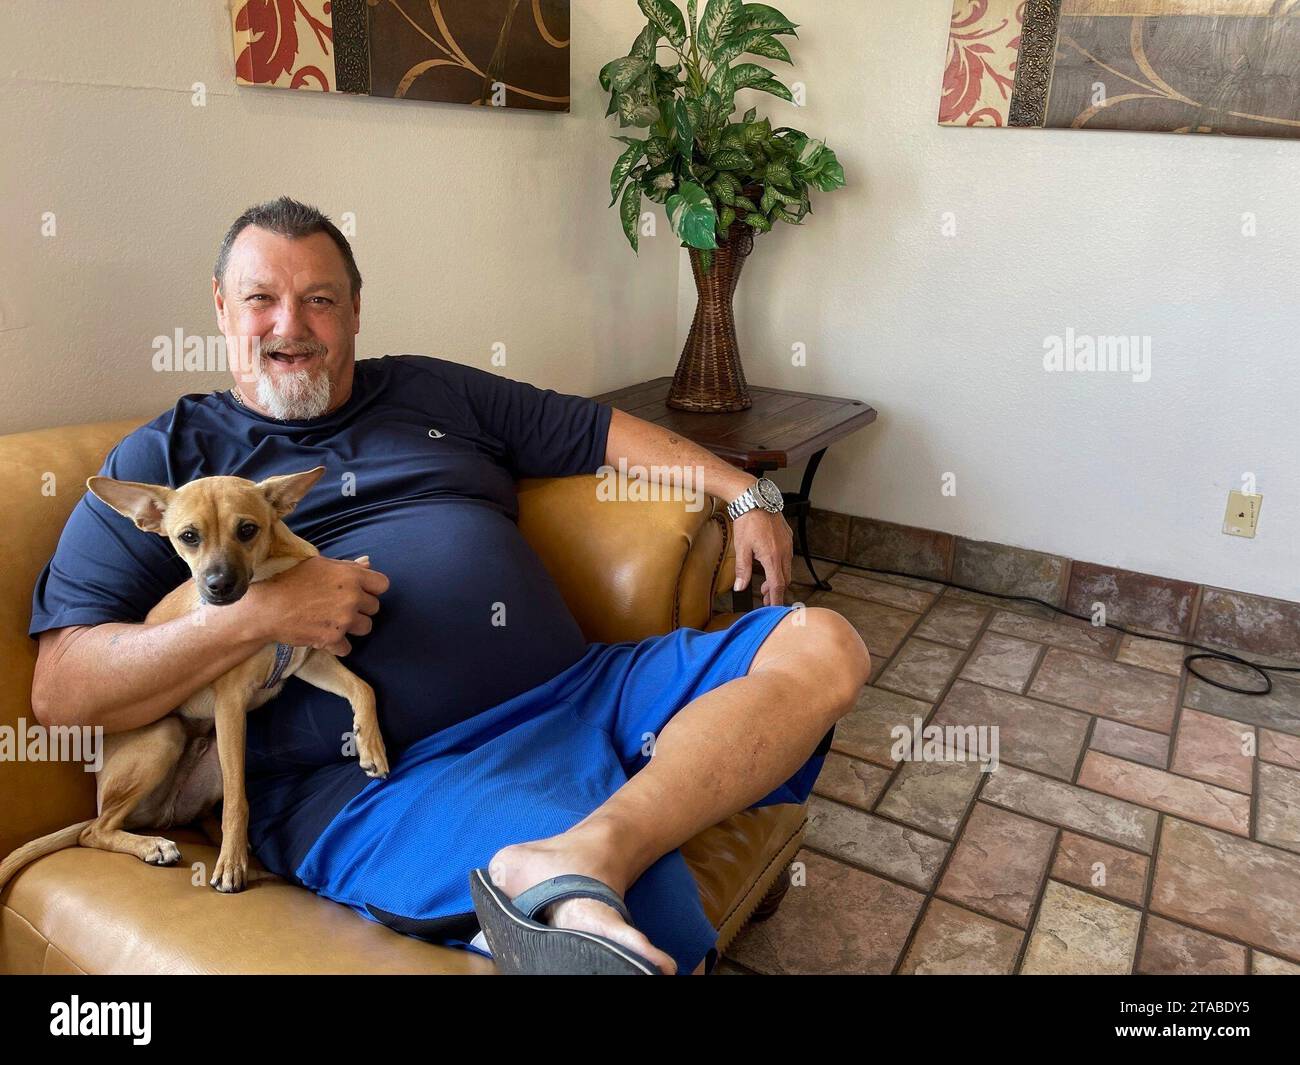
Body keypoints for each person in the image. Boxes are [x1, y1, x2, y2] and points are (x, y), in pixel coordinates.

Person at [28, 196, 871, 976]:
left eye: (320, 299)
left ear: (355, 310)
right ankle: (577, 860)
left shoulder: (431, 387)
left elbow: (596, 429)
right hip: (391, 775)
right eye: (261, 300)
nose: (291, 326)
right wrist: (258, 613)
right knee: (631, 932)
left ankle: (592, 843)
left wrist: (745, 491)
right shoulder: (165, 461)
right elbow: (63, 687)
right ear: (220, 306)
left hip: (581, 683)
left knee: (827, 643)